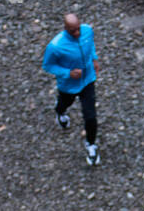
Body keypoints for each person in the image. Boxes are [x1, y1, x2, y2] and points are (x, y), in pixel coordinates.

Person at [42, 13, 101, 166]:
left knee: (90, 116)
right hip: (69, 85)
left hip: (88, 80)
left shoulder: (87, 30)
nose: (77, 33)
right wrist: (68, 73)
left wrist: (94, 58)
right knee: (64, 104)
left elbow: (90, 44)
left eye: (78, 29)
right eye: (73, 30)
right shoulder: (55, 46)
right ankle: (60, 113)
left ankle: (91, 145)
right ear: (65, 28)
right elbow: (48, 66)